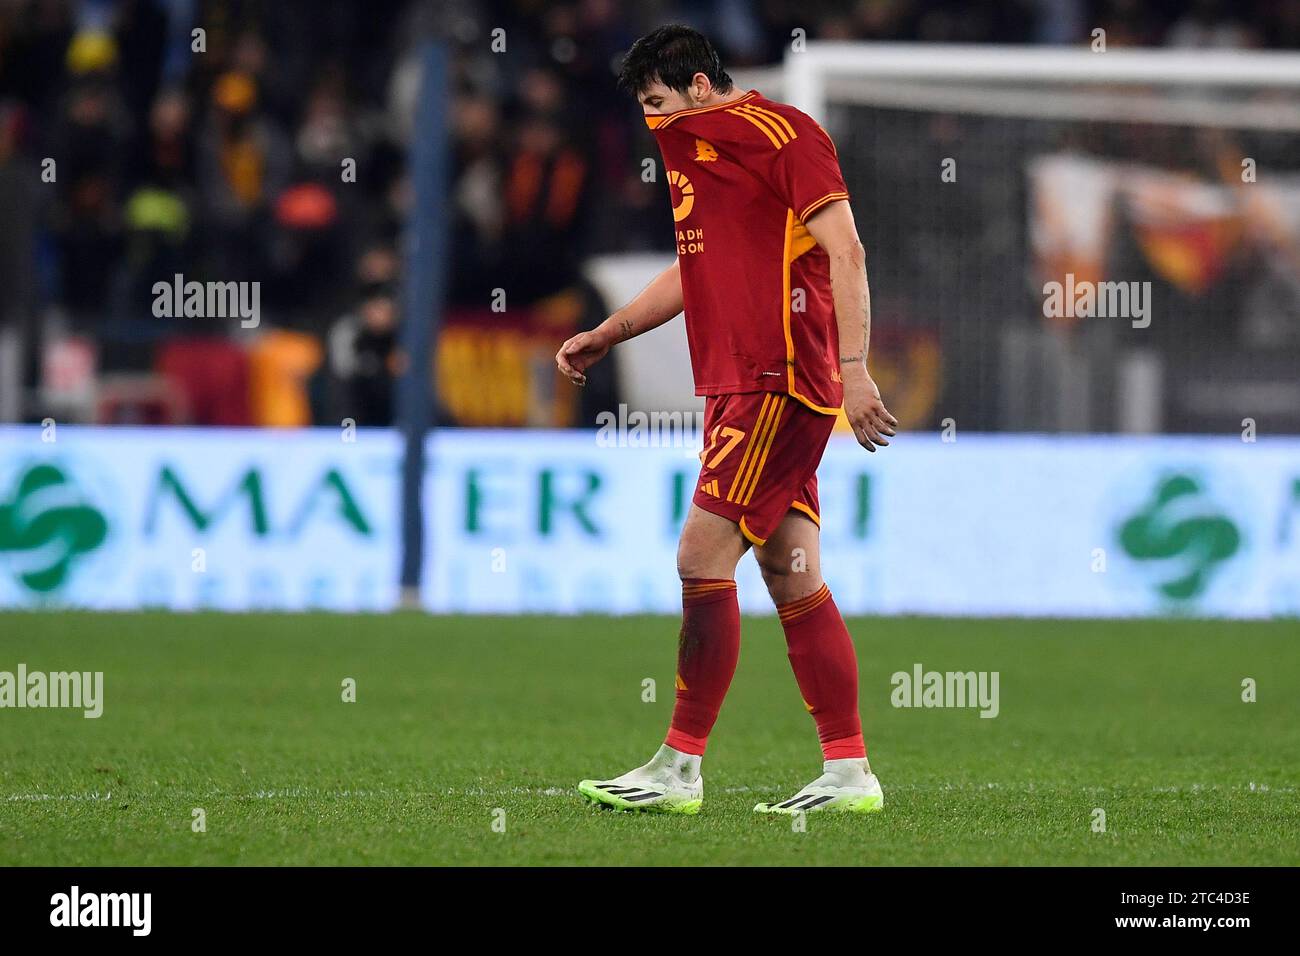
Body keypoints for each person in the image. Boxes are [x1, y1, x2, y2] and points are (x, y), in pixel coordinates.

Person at [555, 25, 897, 815]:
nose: (652, 124)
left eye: (656, 103)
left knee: (700, 558)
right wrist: (611, 331)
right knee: (791, 572)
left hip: (775, 380)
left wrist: (853, 370)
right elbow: (696, 265)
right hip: (745, 383)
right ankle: (849, 772)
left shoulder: (782, 134)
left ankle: (678, 769)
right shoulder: (699, 157)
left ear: (700, 87)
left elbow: (847, 251)